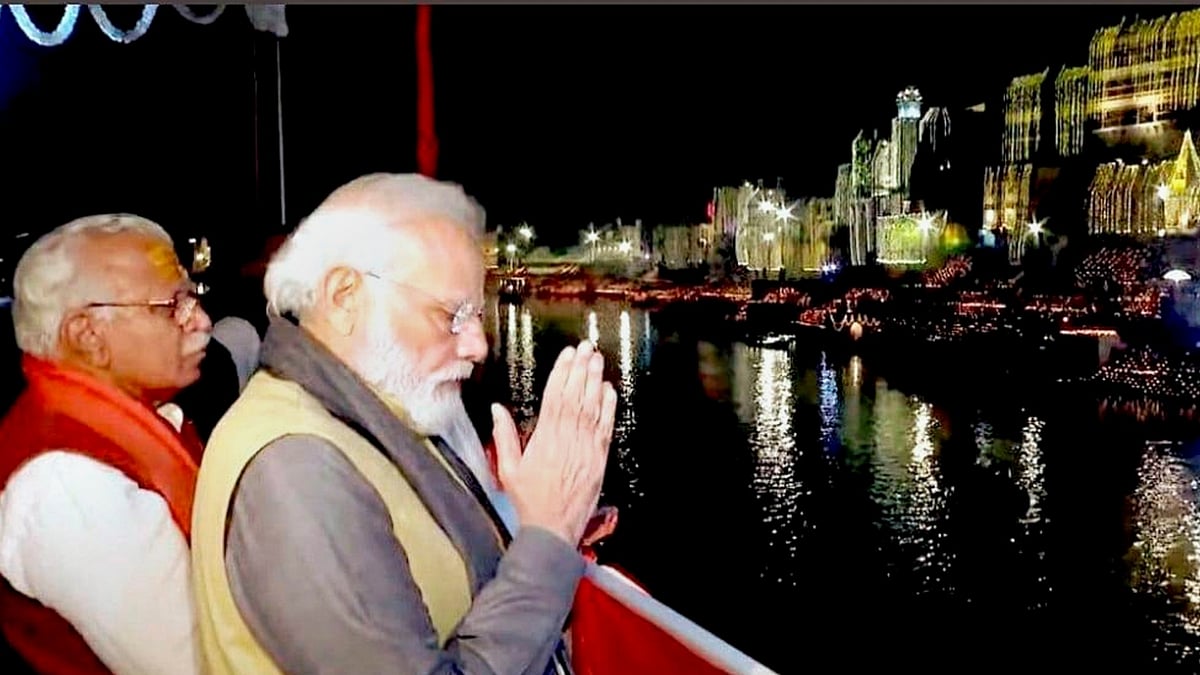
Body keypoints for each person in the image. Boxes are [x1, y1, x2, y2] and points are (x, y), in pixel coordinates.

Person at [192, 173, 617, 674]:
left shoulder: (373, 414)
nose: (478, 346)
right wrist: (549, 537)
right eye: (451, 315)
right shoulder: (296, 468)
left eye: (476, 316)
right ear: (346, 295)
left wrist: (524, 516)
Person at [0, 214, 213, 675]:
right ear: (88, 336)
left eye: (192, 298)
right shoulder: (65, 481)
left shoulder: (126, 417)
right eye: (171, 305)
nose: (201, 321)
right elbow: (197, 665)